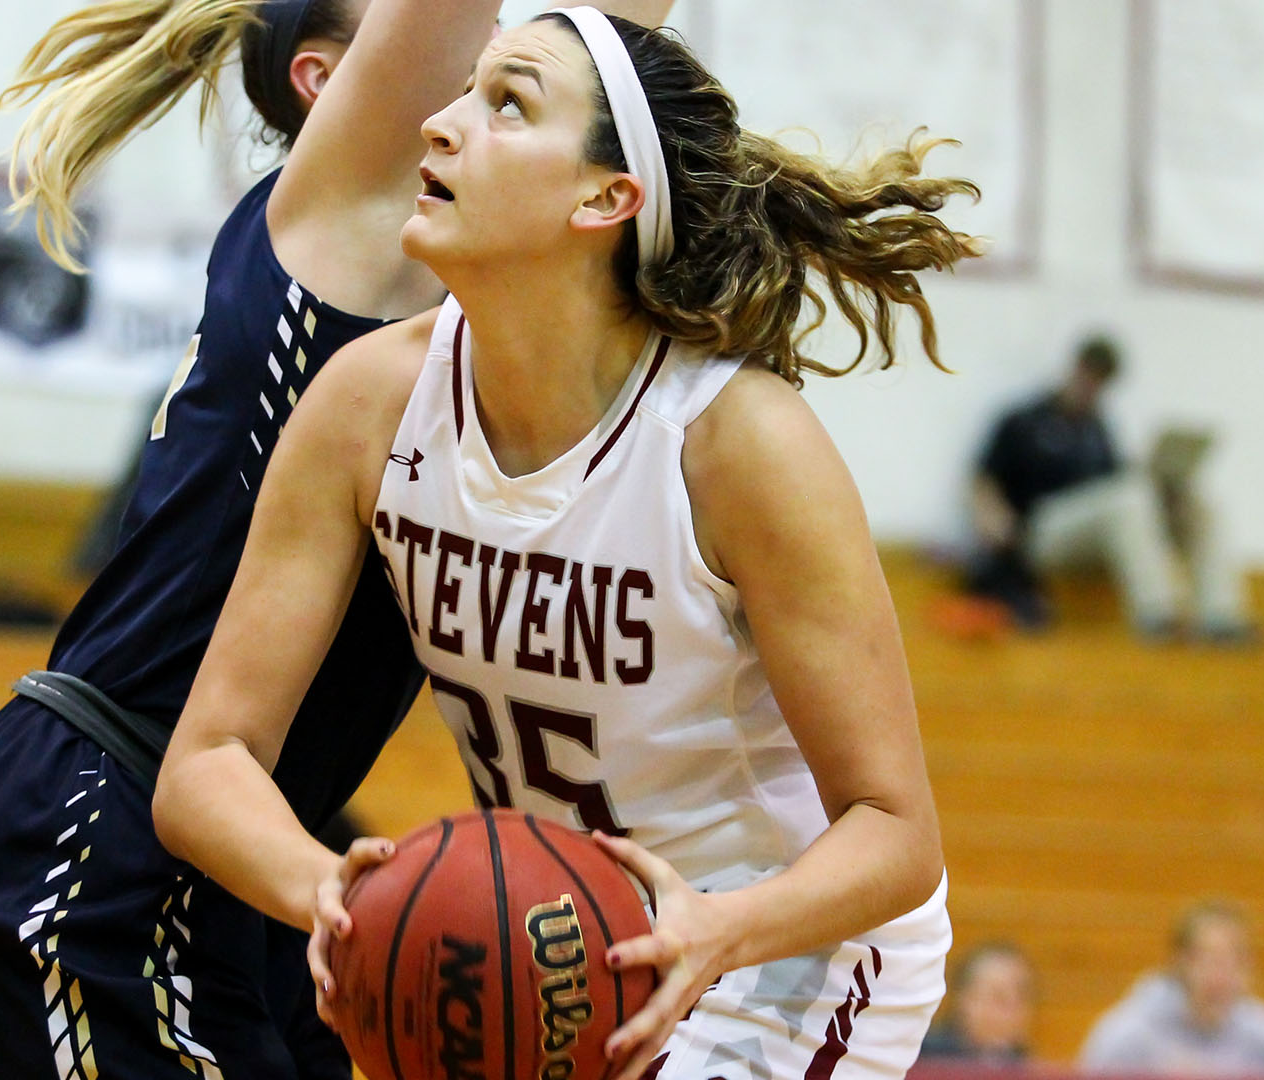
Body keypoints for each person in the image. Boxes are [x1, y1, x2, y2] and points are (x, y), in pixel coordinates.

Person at [151, 10, 982, 1080]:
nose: (440, 126)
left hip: (782, 958)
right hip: (559, 959)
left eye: (507, 105)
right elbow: (205, 764)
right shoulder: (365, 405)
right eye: (462, 94)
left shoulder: (737, 445)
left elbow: (895, 833)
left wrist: (717, 932)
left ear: (605, 196)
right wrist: (327, 893)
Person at [0, 1, 671, 1077]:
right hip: (96, 835)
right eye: (470, 67)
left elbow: (611, 71)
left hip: (244, 869)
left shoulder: (475, 311)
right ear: (327, 81)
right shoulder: (345, 234)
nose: (469, 99)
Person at [969, 336, 1255, 641]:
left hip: (1093, 534)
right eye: (1090, 375)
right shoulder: (1024, 420)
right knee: (1130, 497)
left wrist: (1165, 492)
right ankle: (1158, 614)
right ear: (1075, 368)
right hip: (1040, 533)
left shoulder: (1098, 430)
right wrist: (993, 524)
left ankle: (1222, 616)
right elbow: (982, 479)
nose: (1093, 386)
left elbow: (1117, 484)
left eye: (1102, 380)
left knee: (1195, 504)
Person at [1078, 899, 1264, 1077]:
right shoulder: (1130, 1033)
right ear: (1180, 962)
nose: (1221, 974)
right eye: (1208, 959)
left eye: (1234, 961)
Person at [919, 942, 1037, 1064]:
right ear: (965, 1000)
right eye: (999, 997)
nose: (1013, 1011)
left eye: (1021, 998)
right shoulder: (924, 1060)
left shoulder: (1022, 1066)